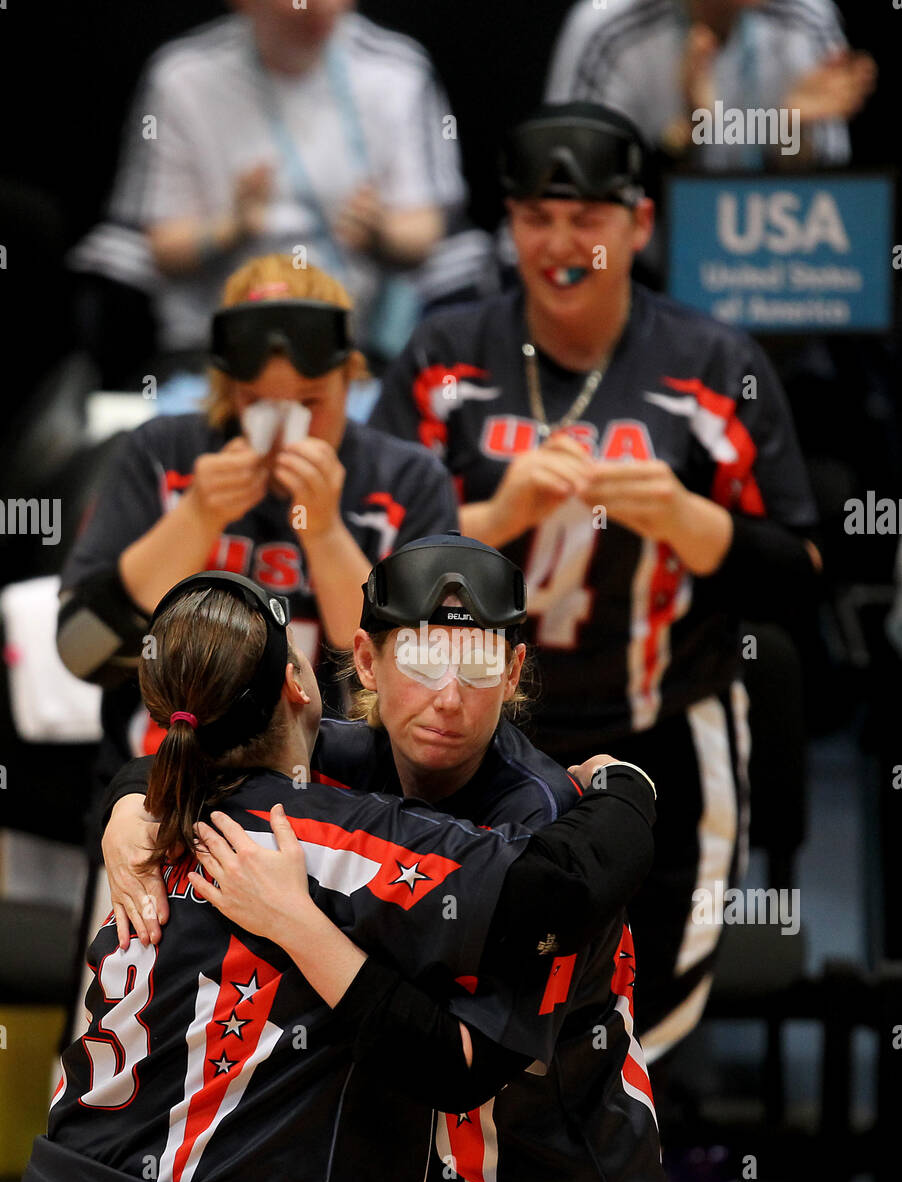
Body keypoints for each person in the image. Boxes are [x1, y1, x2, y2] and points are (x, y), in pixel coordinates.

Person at [1, 570, 658, 1182]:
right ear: (305, 682)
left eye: (470, 663)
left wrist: (125, 802)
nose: (445, 696)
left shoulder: (159, 815)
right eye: (418, 657)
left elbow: (152, 768)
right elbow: (555, 894)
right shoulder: (327, 833)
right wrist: (628, 785)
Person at [368, 104, 822, 1062]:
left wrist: (679, 516)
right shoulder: (442, 355)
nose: (561, 245)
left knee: (623, 1035)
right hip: (462, 736)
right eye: (536, 217)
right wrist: (497, 516)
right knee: (458, 1012)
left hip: (658, 731)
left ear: (640, 225)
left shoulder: (712, 363)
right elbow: (371, 573)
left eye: (588, 221)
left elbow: (802, 576)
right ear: (508, 223)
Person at [57, 253, 458, 861]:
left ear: (351, 379)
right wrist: (196, 517)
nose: (284, 428)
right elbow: (80, 651)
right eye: (257, 402)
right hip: (155, 800)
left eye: (309, 402)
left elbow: (419, 679)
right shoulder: (163, 453)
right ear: (225, 388)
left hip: (340, 816)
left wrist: (323, 532)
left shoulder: (409, 479)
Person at [68, 0, 477, 367]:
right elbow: (163, 247)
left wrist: (379, 234)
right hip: (216, 348)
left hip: (355, 342)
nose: (321, 6)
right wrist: (228, 229)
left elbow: (424, 234)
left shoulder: (398, 70)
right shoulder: (181, 77)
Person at [545, 0, 876, 170]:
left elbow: (829, 205)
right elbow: (571, 204)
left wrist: (789, 129)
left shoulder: (807, 17)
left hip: (772, 279)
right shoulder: (607, 30)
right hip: (640, 279)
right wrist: (687, 136)